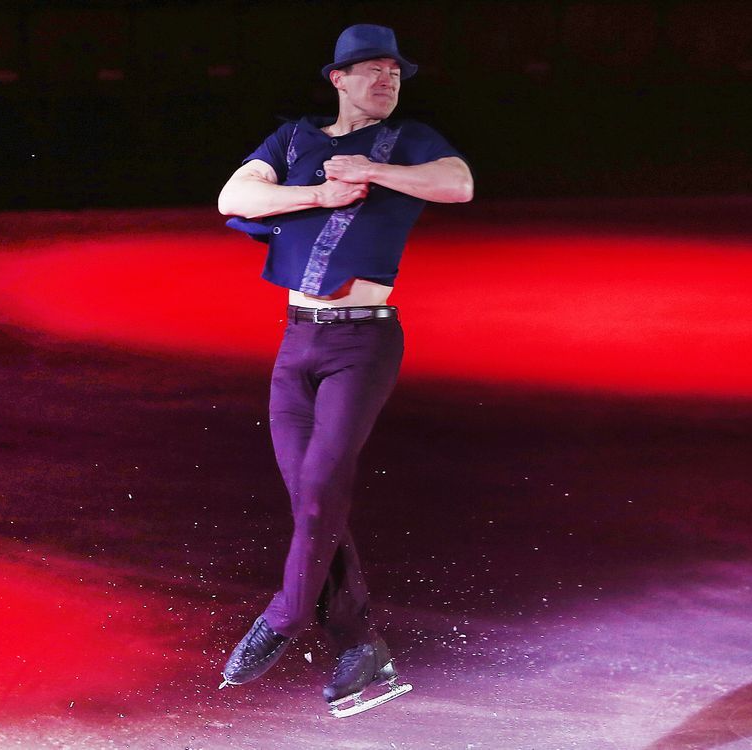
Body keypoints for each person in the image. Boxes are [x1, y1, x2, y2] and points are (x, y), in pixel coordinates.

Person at [216, 23, 473, 717]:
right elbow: (234, 198)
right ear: (338, 78)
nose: (387, 81)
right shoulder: (294, 139)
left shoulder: (410, 142)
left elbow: (458, 185)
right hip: (295, 345)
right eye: (372, 70)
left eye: (395, 72)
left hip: (363, 343)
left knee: (324, 485)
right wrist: (319, 196)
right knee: (308, 498)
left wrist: (373, 173)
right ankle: (361, 647)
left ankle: (283, 616)